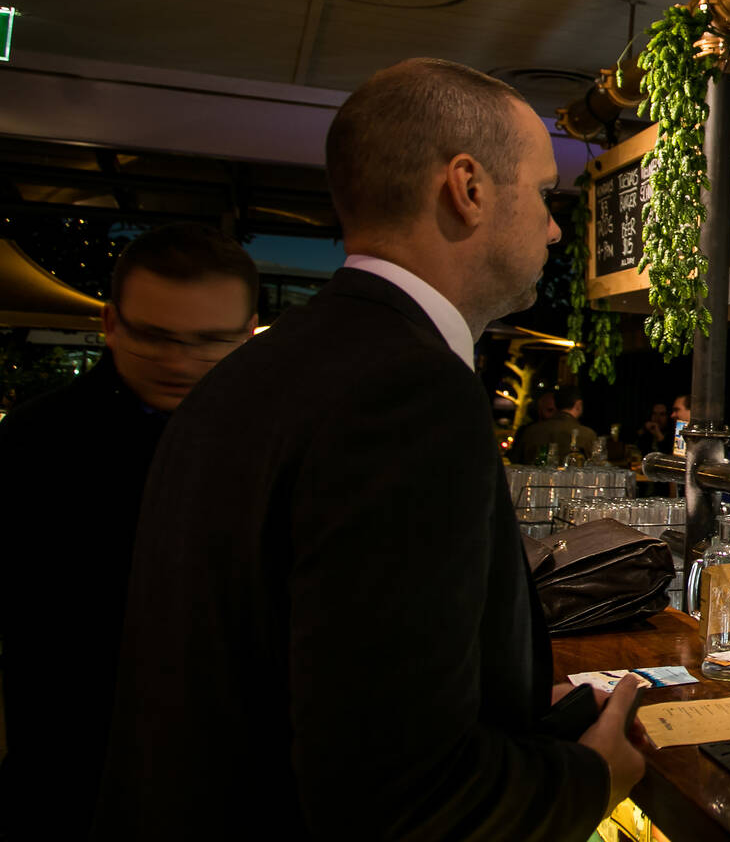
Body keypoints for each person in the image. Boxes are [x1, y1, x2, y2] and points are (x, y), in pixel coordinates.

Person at [96, 59, 645, 839]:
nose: (557, 227)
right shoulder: (411, 395)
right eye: (545, 195)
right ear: (469, 188)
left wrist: (511, 706)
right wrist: (586, 777)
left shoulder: (256, 369)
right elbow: (403, 801)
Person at [0, 223, 258, 836]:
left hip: (233, 779)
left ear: (249, 336)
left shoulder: (273, 443)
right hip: (71, 775)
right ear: (111, 324)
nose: (177, 362)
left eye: (209, 342)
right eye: (154, 337)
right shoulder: (37, 442)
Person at [510, 384, 597, 464]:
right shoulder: (587, 434)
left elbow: (515, 462)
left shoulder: (531, 431)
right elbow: (595, 466)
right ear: (578, 405)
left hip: (533, 480)